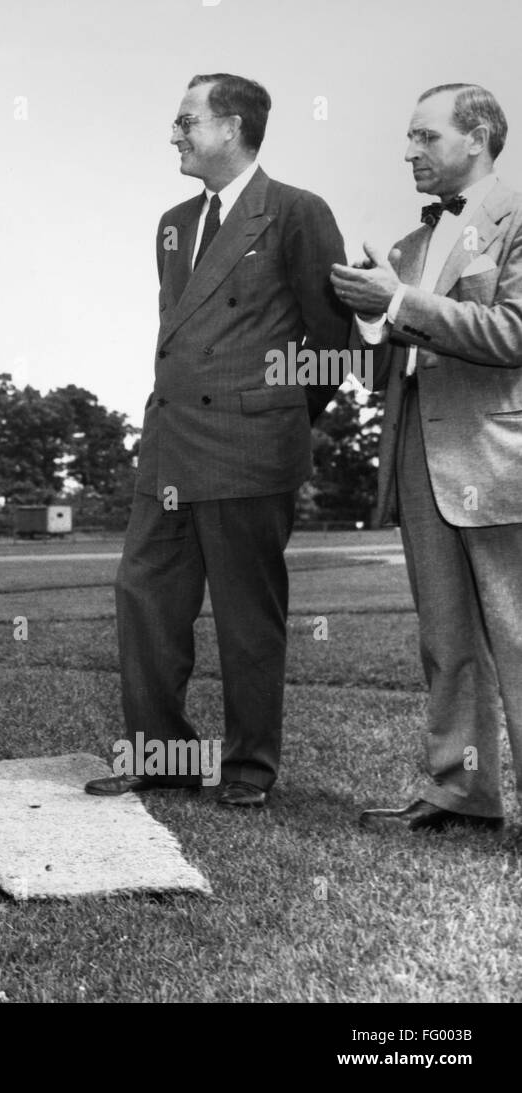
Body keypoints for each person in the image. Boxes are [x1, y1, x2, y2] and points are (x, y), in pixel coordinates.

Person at [84, 73, 350, 808]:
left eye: (185, 121)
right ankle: (163, 755)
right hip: (169, 444)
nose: (173, 134)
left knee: (245, 617)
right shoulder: (173, 221)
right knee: (145, 601)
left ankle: (248, 767)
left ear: (231, 127)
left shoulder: (295, 212)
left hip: (248, 447)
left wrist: (276, 414)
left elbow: (331, 343)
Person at [331, 84, 522, 834]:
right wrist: (371, 318)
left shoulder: (516, 216)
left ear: (476, 138)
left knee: (515, 634)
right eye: (407, 139)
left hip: (496, 457)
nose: (410, 152)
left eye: (425, 137)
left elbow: (512, 334)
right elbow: (380, 372)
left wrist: (402, 304)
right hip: (418, 453)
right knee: (445, 638)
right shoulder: (408, 246)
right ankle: (460, 791)